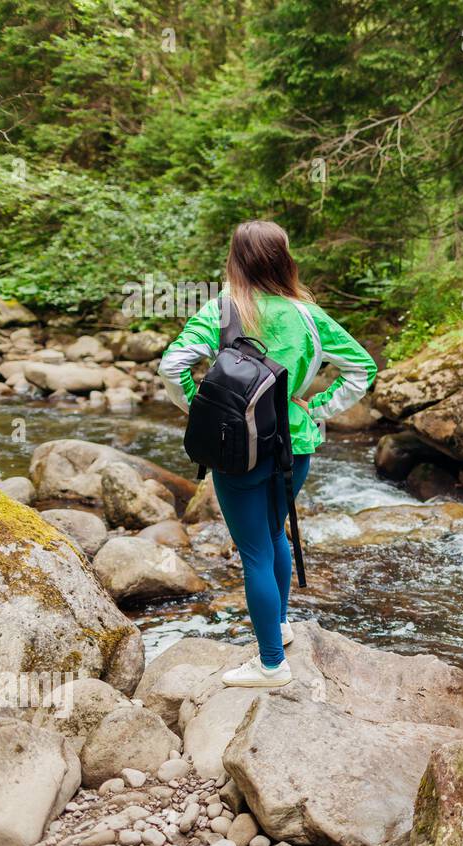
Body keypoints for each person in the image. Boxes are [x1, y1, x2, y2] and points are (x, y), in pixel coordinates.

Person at [159, 220, 376, 688]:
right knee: (276, 534)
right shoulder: (307, 315)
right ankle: (278, 626)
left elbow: (172, 365)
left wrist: (199, 406)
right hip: (293, 445)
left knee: (254, 552)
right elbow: (363, 368)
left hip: (236, 447)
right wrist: (317, 408)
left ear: (236, 259)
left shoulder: (223, 310)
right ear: (284, 258)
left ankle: (271, 664)